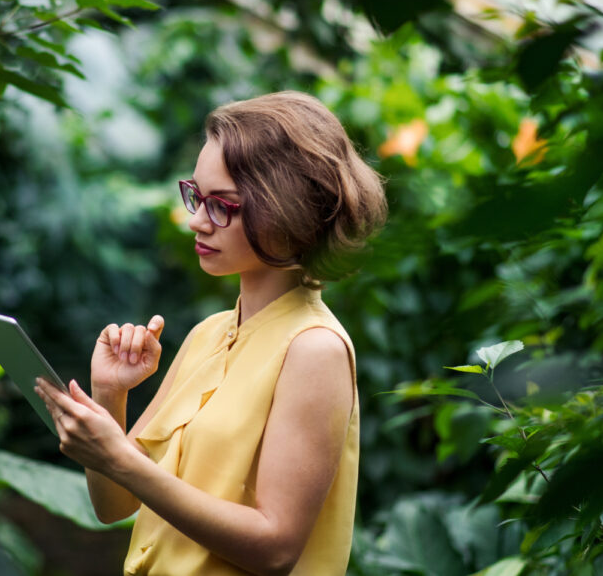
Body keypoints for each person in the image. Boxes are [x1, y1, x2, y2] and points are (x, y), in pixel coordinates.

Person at [35, 91, 387, 575]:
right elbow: (114, 504)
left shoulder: (314, 349)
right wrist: (110, 395)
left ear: (286, 209)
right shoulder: (211, 332)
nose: (196, 220)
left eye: (222, 205)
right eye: (196, 196)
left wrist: (120, 458)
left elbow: (276, 547)